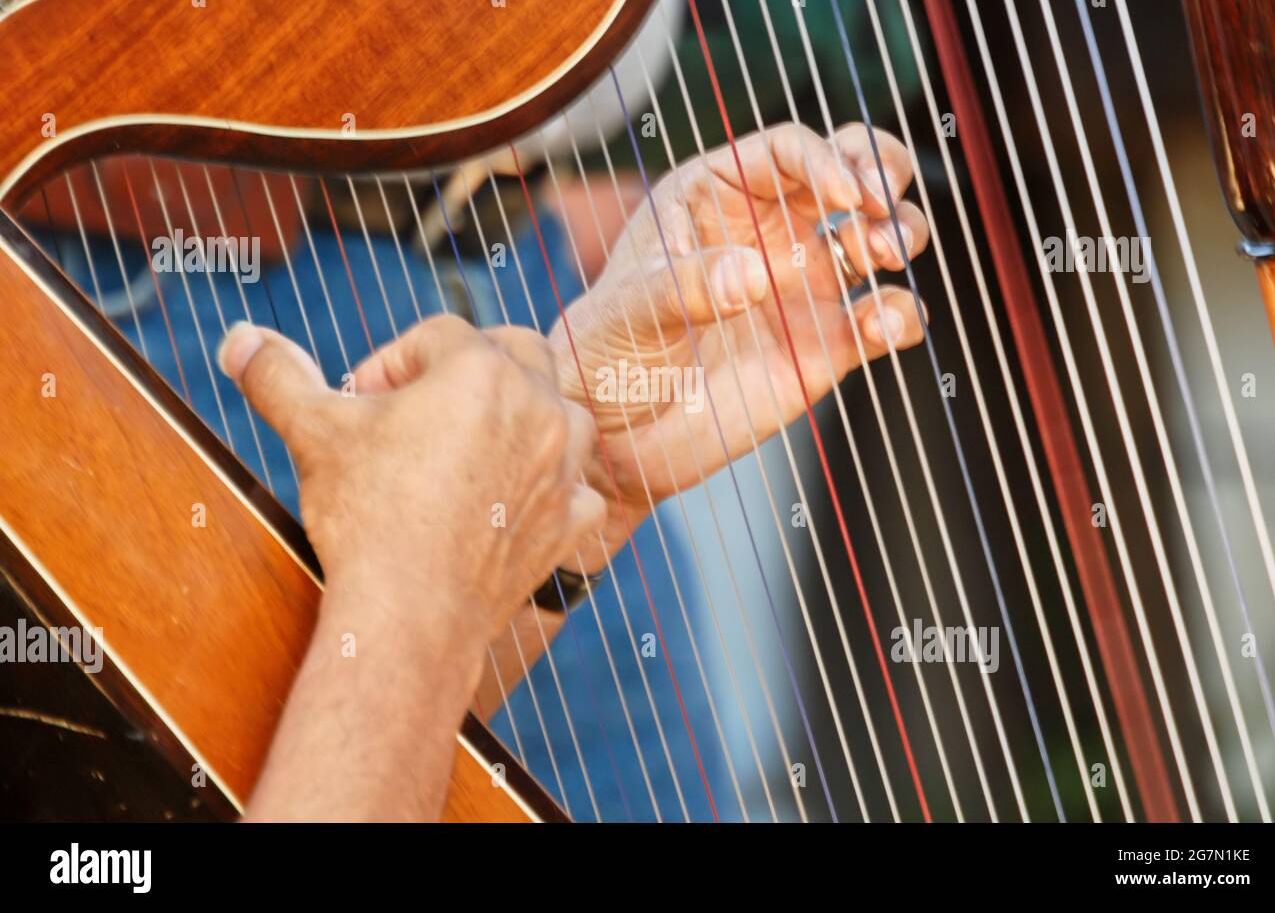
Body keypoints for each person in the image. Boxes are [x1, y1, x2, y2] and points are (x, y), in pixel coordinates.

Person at [227, 123, 930, 821]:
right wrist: (414, 599)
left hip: (502, 239)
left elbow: (351, 769)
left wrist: (589, 488)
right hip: (208, 247)